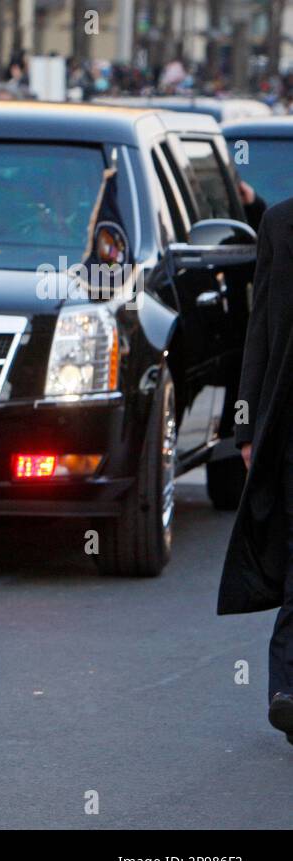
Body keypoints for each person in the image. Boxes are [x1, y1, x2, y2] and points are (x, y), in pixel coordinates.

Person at [219, 190, 293, 746]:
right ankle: (286, 690)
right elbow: (260, 330)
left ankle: (287, 688)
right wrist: (245, 428)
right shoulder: (279, 223)